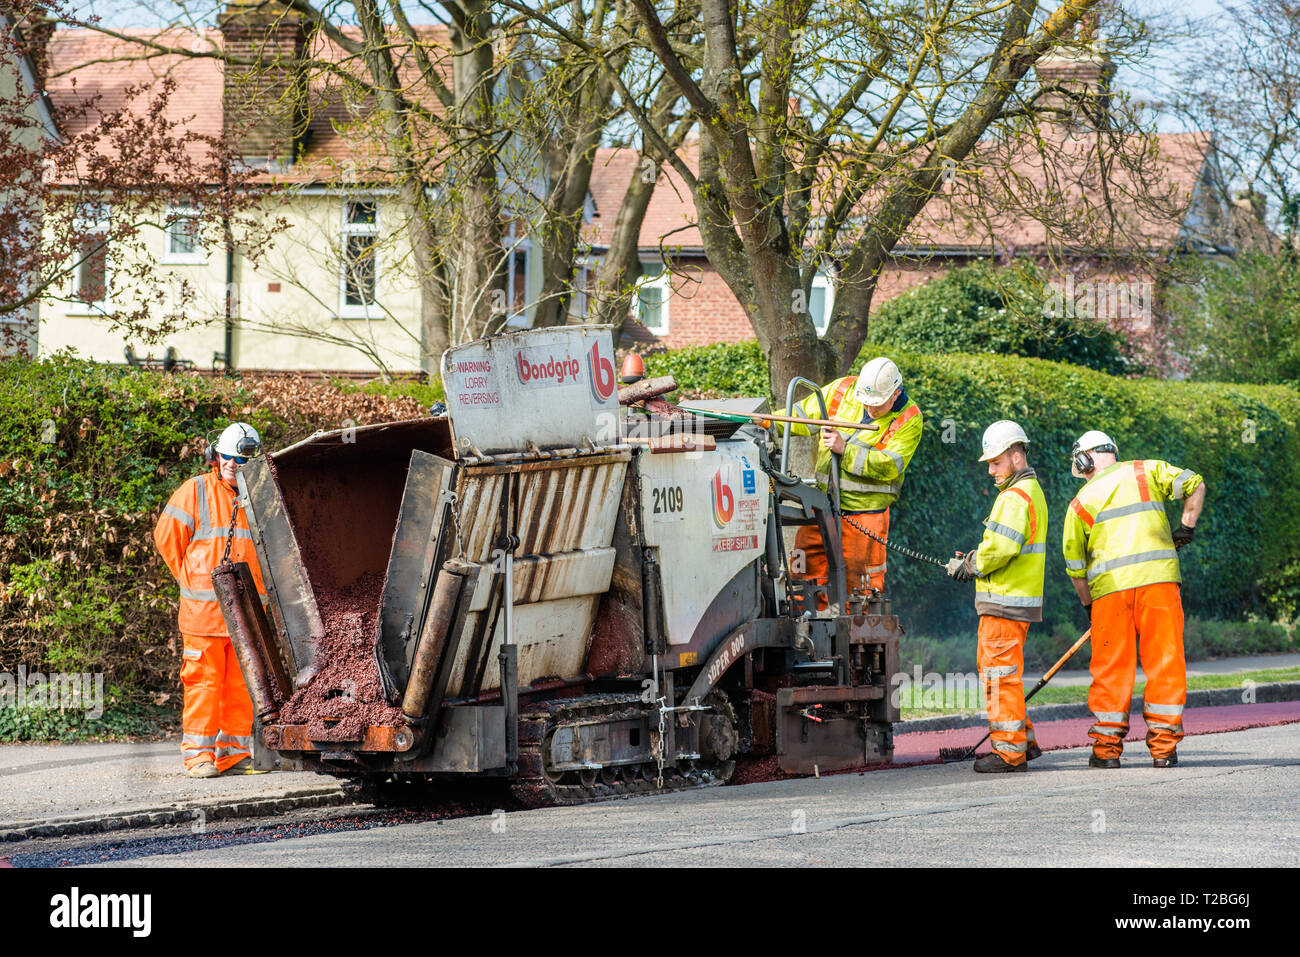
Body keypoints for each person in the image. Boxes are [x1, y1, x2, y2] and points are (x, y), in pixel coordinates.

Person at [1061, 430, 1207, 769]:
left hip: (1109, 595)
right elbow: (1195, 484)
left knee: (1111, 668)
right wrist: (1186, 527)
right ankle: (1164, 750)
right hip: (1160, 584)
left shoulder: (1079, 503)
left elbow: (1075, 568)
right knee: (1165, 663)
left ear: (1083, 461)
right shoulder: (1147, 470)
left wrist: (1089, 607)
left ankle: (1107, 751)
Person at [153, 423, 269, 778]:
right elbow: (166, 538)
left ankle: (233, 754)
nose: (234, 464)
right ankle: (199, 756)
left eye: (241, 459)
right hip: (205, 616)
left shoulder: (262, 497)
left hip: (247, 616)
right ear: (215, 457)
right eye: (228, 457)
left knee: (241, 686)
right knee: (204, 684)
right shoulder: (196, 491)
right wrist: (192, 581)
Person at [946, 421, 1047, 772]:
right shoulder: (1028, 493)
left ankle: (1009, 754)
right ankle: (1025, 742)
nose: (990, 470)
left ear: (1016, 457)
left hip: (1004, 603)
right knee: (1004, 675)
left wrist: (970, 565)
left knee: (998, 676)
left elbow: (1000, 548)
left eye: (996, 462)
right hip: (1013, 602)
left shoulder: (1015, 497)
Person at [777, 356, 923, 599]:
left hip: (865, 516)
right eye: (865, 403)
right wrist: (766, 423)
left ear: (895, 394)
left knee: (860, 588)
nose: (869, 409)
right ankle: (807, 631)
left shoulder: (910, 418)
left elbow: (890, 465)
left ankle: (855, 635)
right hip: (821, 505)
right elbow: (800, 416)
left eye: (876, 405)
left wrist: (845, 450)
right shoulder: (843, 389)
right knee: (804, 576)